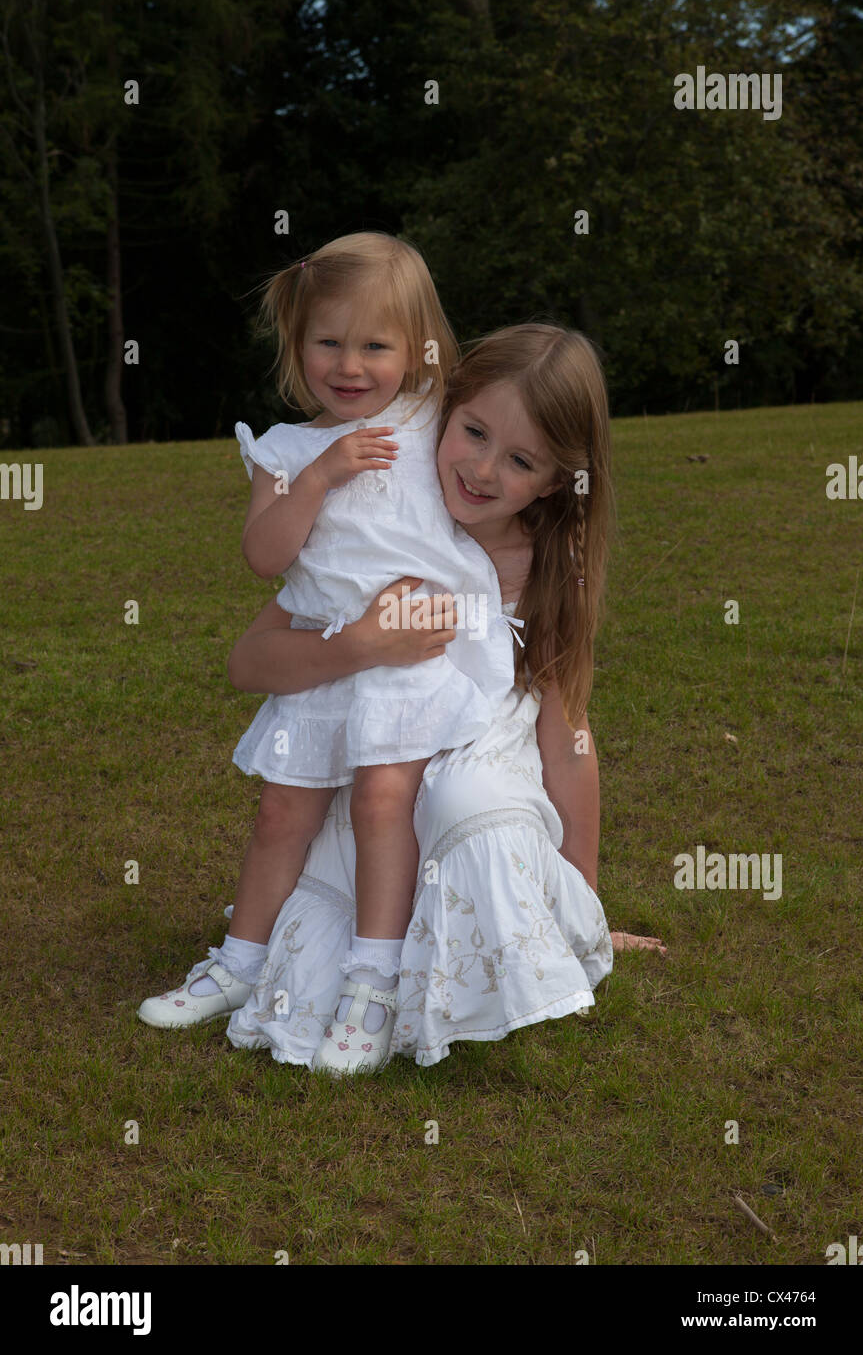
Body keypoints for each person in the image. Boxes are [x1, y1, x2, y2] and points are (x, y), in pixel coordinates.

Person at [222, 324, 665, 1070]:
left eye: (520, 460)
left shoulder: (551, 562)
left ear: (557, 480)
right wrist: (359, 643)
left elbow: (568, 736)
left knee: (461, 802)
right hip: (384, 746)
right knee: (379, 821)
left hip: (485, 746)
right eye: (473, 431)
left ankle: (514, 925)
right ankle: (373, 967)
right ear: (440, 411)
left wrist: (576, 905)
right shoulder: (375, 529)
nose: (483, 469)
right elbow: (248, 662)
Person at [138, 233, 531, 1073]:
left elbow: (510, 435)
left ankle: (372, 981)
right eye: (328, 342)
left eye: (375, 345)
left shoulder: (429, 422)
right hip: (324, 659)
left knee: (385, 803)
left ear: (418, 350)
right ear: (296, 345)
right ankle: (237, 965)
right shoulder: (282, 452)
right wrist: (316, 477)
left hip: (414, 655)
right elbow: (265, 558)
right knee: (282, 813)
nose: (349, 365)